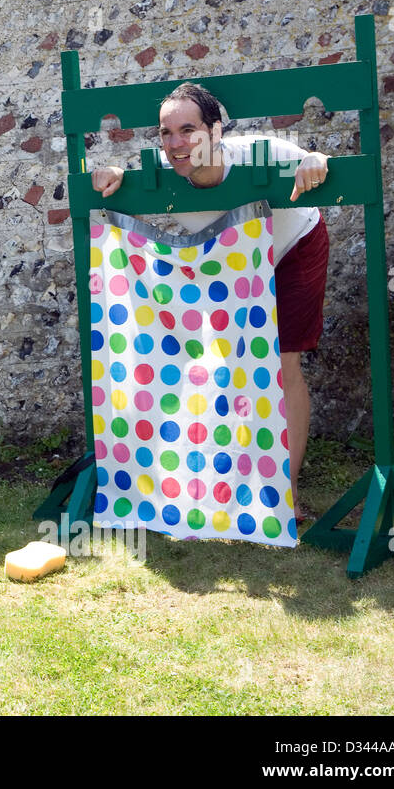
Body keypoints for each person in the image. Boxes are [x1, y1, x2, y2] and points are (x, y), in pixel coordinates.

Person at [92, 82, 331, 518]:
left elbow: (320, 163)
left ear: (216, 131)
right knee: (231, 364)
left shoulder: (263, 151)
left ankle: (286, 495)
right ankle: (235, 480)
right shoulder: (164, 174)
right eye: (166, 133)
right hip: (238, 262)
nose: (176, 143)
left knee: (282, 363)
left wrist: (315, 161)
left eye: (188, 129)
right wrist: (112, 173)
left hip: (295, 246)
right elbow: (120, 180)